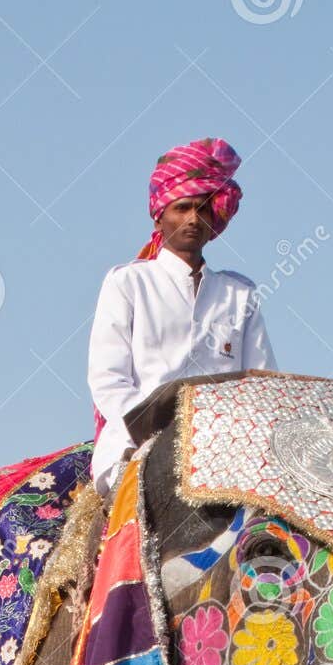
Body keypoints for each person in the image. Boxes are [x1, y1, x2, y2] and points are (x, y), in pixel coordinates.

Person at [86, 137, 275, 498]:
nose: (192, 219)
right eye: (182, 208)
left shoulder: (240, 294)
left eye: (203, 209)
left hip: (224, 455)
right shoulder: (128, 283)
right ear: (159, 216)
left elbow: (260, 386)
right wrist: (163, 436)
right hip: (138, 449)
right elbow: (108, 381)